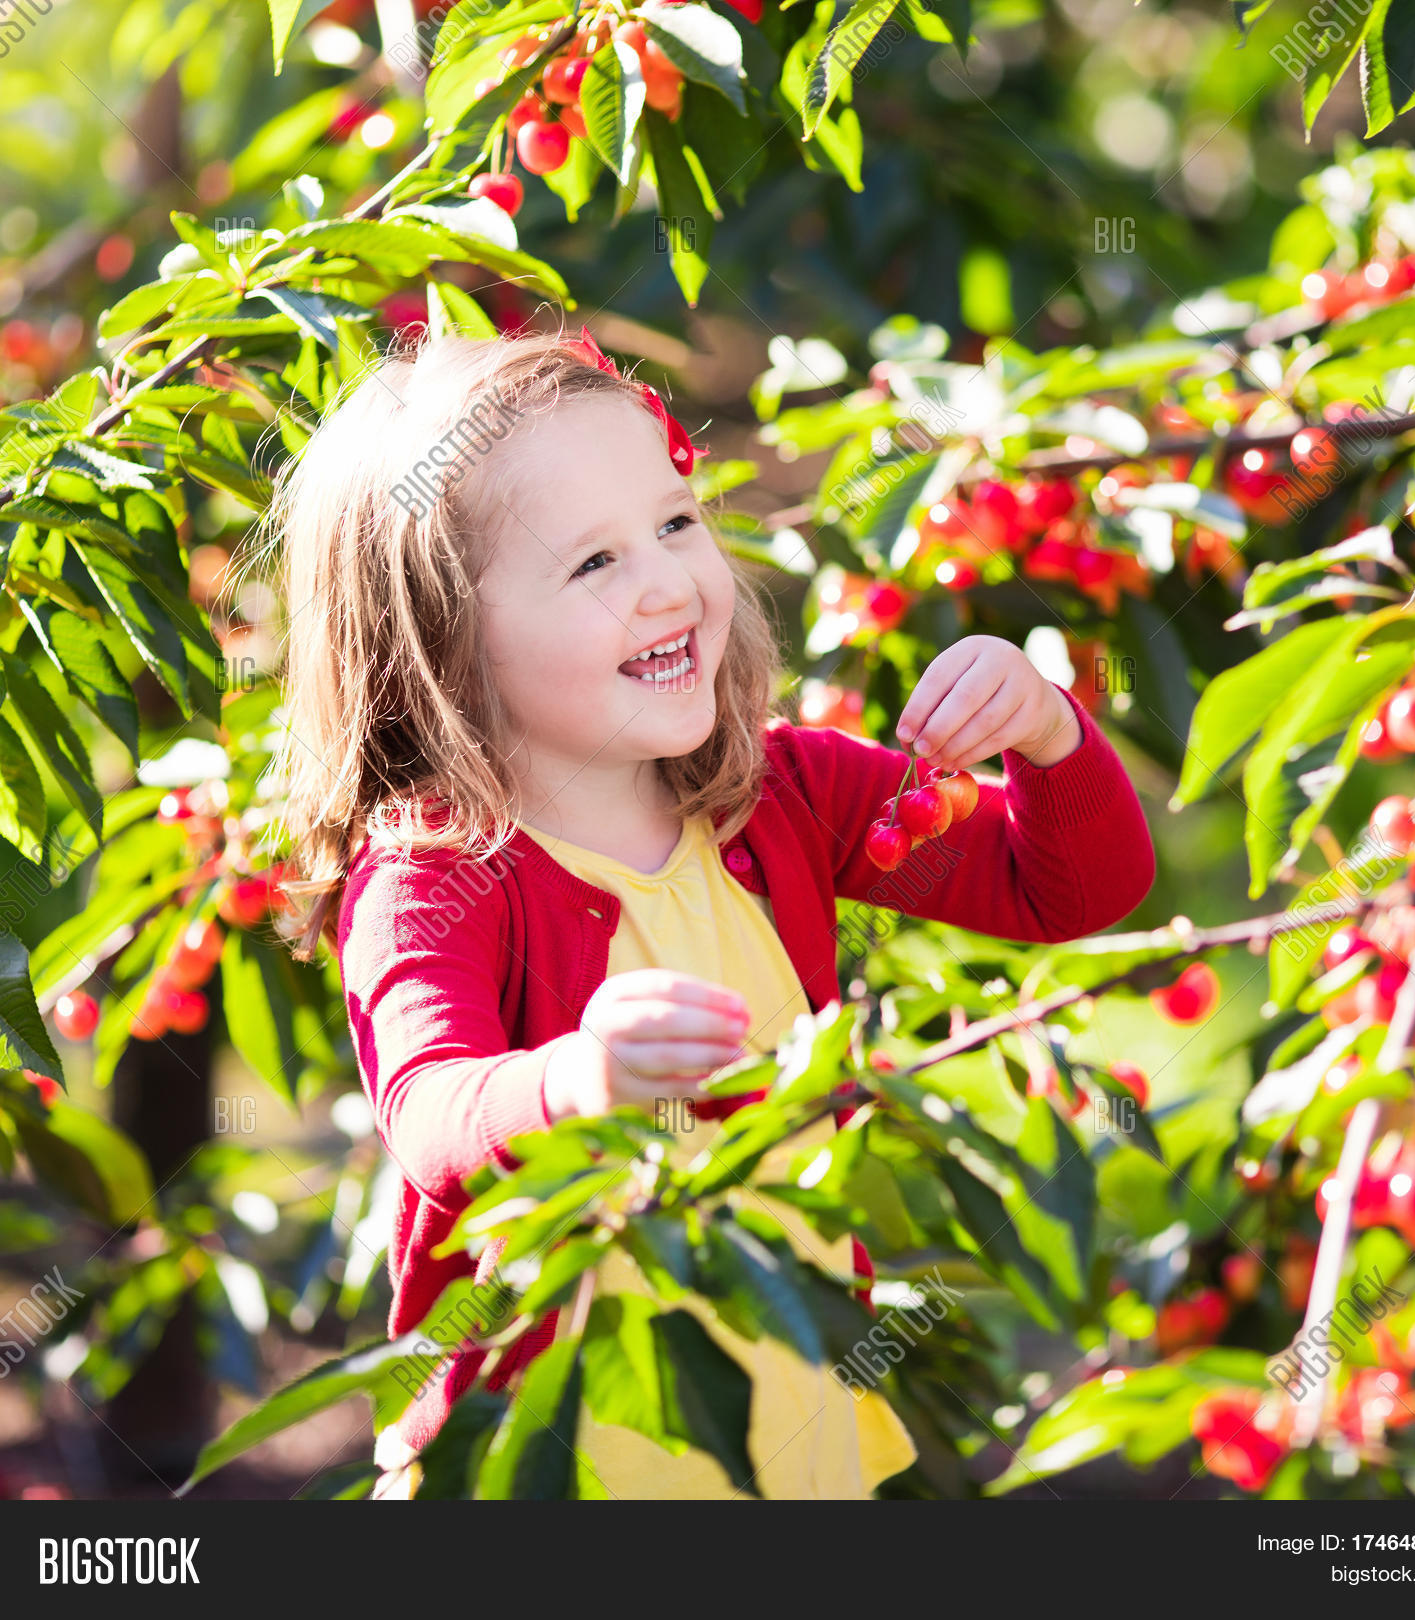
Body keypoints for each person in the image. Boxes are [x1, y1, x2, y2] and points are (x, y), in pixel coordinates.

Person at [263, 322, 1156, 1498]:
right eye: (592, 564)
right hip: (559, 1464)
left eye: (675, 525)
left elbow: (1069, 891)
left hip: (788, 1431)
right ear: (445, 640)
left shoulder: (778, 794)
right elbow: (429, 1112)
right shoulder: (432, 876)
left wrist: (1046, 733)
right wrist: (574, 1082)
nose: (668, 584)